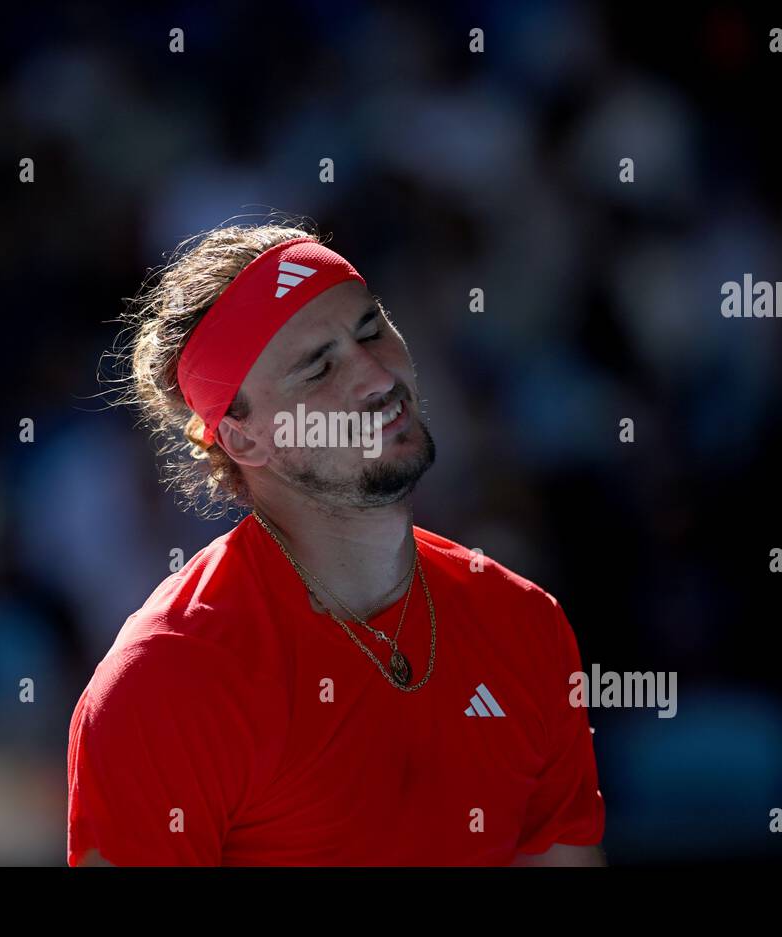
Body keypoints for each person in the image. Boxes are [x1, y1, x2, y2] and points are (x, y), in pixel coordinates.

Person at [67, 220, 606, 865]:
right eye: (319, 369)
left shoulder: (525, 623)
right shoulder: (165, 682)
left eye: (372, 329)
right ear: (242, 439)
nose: (378, 377)